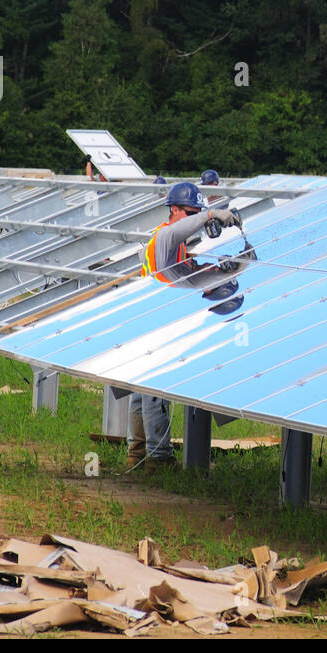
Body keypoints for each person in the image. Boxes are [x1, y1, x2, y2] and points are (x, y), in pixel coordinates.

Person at [127, 182, 240, 469]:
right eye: (189, 213)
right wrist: (210, 215)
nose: (193, 218)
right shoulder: (163, 237)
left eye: (196, 213)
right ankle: (158, 458)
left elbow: (185, 273)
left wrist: (218, 269)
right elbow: (174, 236)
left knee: (142, 393)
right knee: (154, 392)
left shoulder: (176, 246)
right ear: (174, 210)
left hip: (157, 319)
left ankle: (138, 452)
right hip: (155, 322)